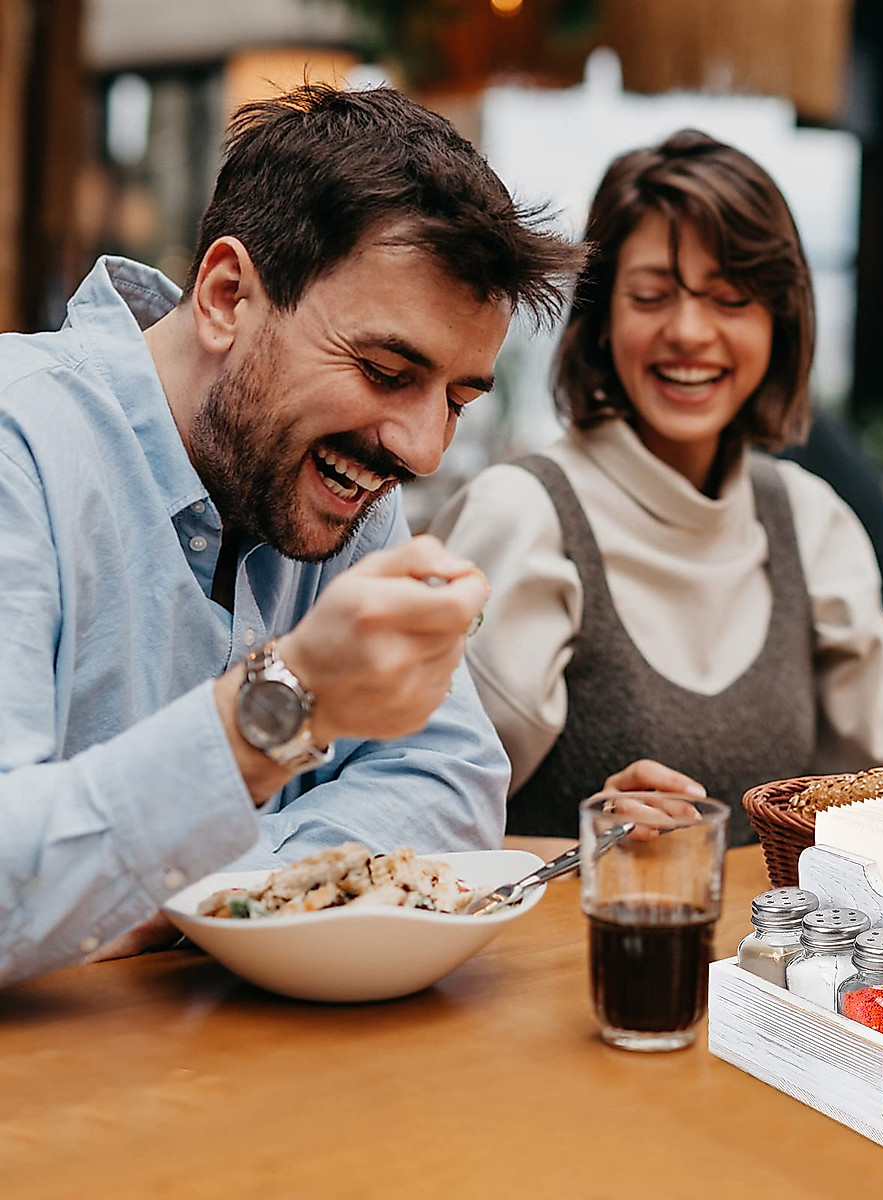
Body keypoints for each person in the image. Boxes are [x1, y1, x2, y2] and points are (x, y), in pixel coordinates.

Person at [0, 83, 582, 986]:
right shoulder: (19, 446)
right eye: (388, 371)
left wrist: (170, 891)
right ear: (228, 294)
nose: (423, 451)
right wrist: (285, 705)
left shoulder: (343, 482)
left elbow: (454, 790)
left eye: (458, 400)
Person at [430, 129, 883, 843]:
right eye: (652, 296)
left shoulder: (806, 520)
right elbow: (425, 804)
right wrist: (591, 833)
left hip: (773, 958)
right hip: (569, 951)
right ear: (600, 321)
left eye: (730, 299)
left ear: (780, 323)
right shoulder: (525, 515)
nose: (689, 331)